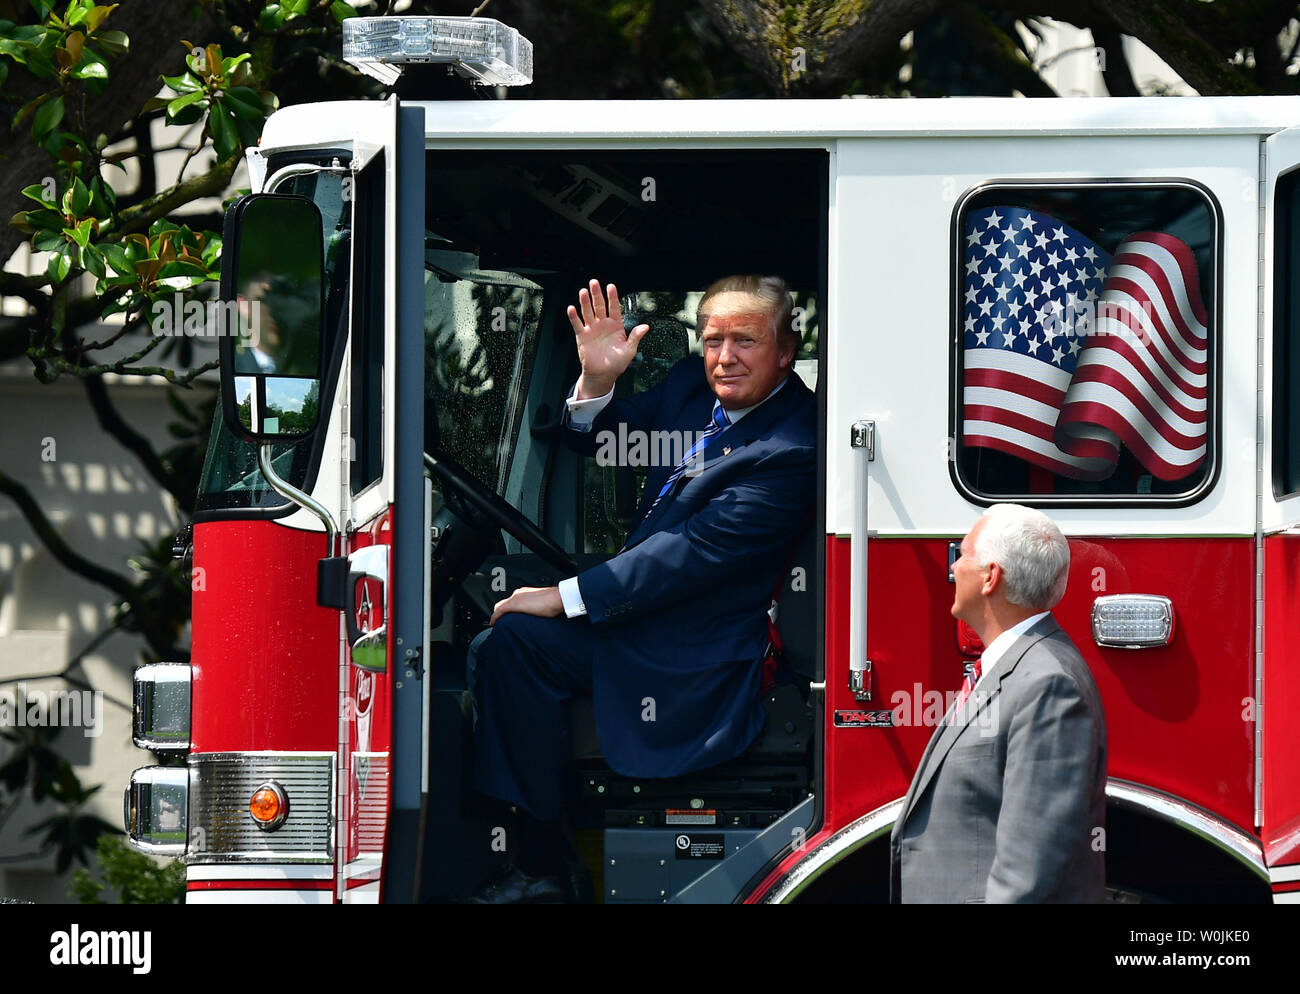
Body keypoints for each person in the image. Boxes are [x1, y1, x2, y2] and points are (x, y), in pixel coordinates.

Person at [464, 276, 816, 902]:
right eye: (713, 340)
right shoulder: (690, 385)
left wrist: (564, 596)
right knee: (496, 615)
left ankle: (543, 864)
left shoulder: (790, 446)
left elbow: (689, 555)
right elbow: (602, 442)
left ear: (786, 350)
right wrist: (599, 381)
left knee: (515, 642)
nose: (724, 356)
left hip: (693, 648)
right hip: (647, 617)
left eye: (745, 341)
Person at [889, 503, 1107, 903]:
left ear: (991, 577)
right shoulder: (1019, 669)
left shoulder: (1048, 684)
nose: (953, 568)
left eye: (963, 555)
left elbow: (1029, 868)